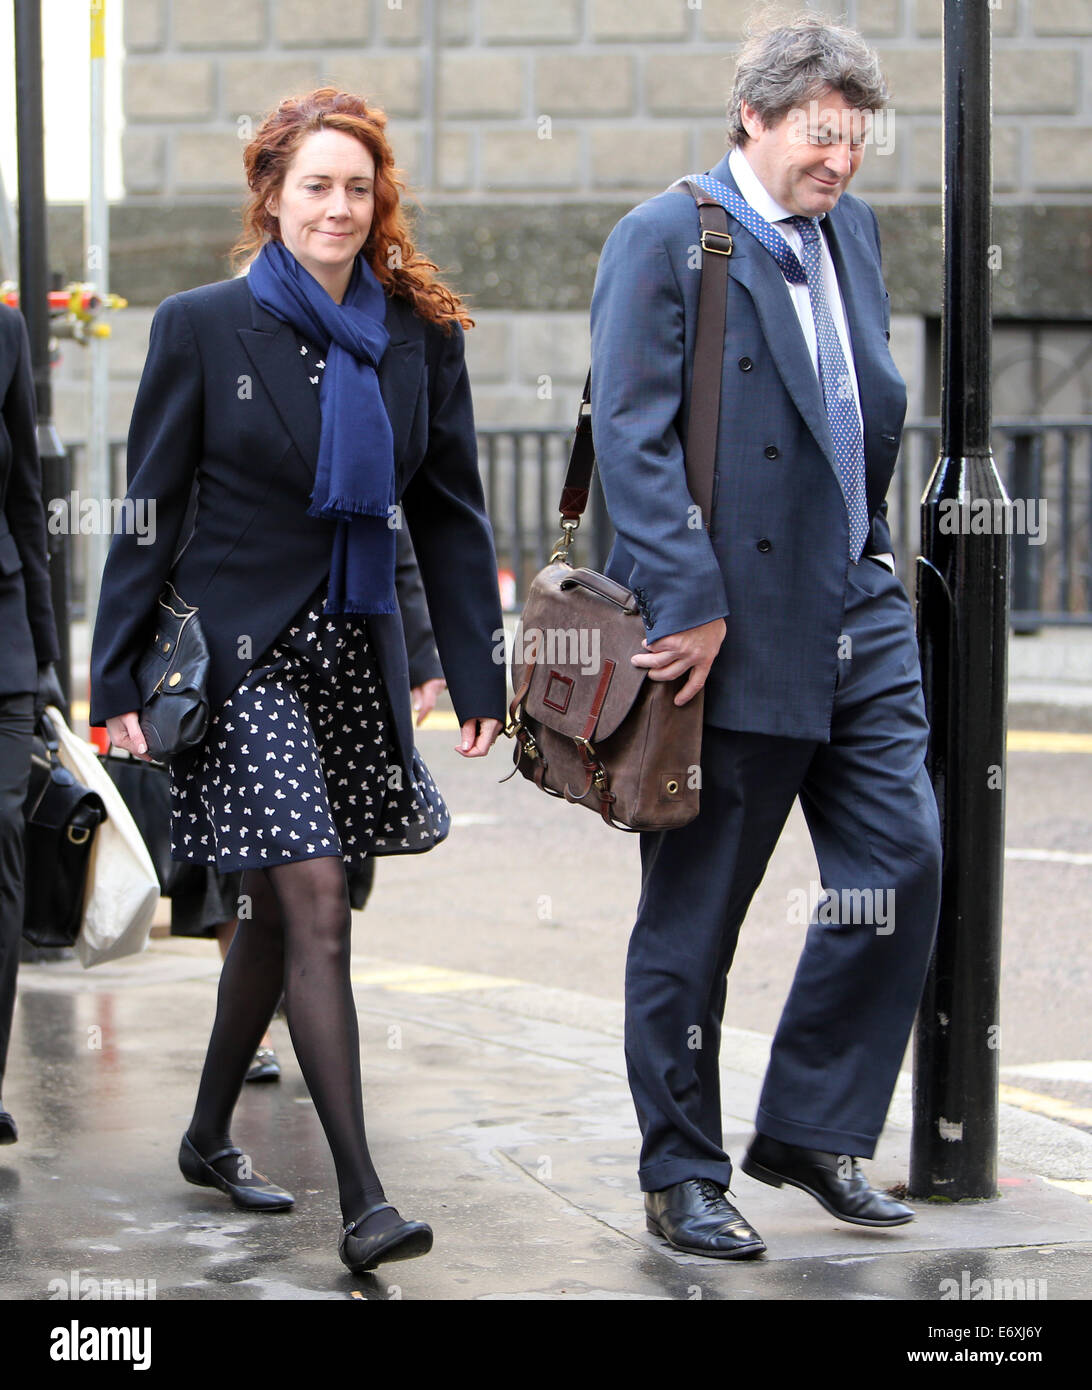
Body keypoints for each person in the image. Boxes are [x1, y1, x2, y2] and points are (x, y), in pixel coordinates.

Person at [89, 88, 505, 1274]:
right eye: (314, 185)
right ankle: (367, 1200)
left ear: (380, 206)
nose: (337, 206)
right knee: (313, 896)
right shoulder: (204, 326)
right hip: (243, 662)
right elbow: (148, 510)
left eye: (357, 188)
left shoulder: (419, 335)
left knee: (277, 911)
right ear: (271, 196)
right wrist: (112, 668)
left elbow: (450, 512)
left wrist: (473, 668)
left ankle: (208, 1133)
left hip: (353, 658)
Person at [589, 13, 942, 1259]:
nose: (838, 159)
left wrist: (875, 562)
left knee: (900, 865)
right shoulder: (665, 238)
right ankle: (681, 1167)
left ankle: (809, 1126)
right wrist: (688, 597)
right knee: (698, 918)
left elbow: (864, 400)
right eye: (816, 133)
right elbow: (630, 435)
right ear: (755, 117)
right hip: (725, 630)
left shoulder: (854, 231)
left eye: (854, 138)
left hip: (855, 604)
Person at [0, 303, 62, 1146]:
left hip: (2, 633)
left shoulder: (5, 330)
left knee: (2, 830)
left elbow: (24, 495)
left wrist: (45, 654)